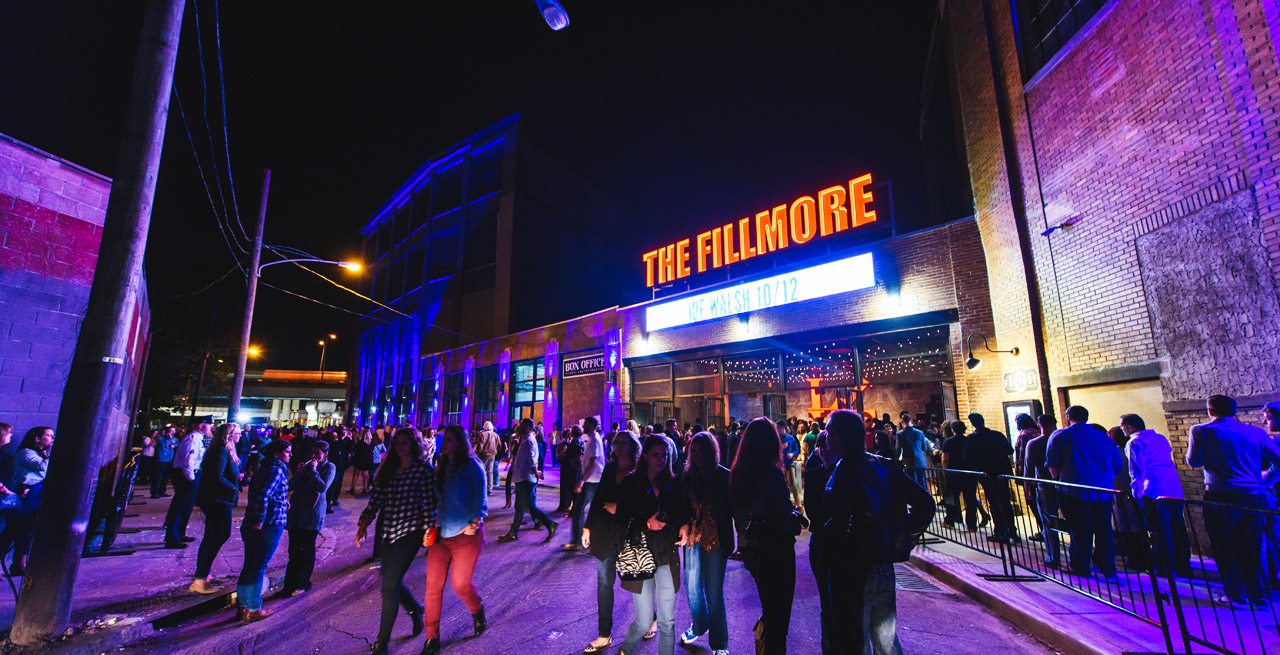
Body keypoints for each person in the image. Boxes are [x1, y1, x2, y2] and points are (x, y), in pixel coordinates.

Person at [1186, 395, 1280, 607]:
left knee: (1224, 546)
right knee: (1253, 546)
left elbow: (1195, 461)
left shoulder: (1201, 430)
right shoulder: (1256, 432)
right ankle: (1259, 596)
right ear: (1234, 410)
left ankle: (1235, 595)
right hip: (1253, 495)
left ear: (1210, 411)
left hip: (1221, 495)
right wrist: (1266, 479)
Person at [357, 427, 439, 655]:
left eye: (404, 442)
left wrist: (429, 532)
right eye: (397, 443)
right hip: (389, 531)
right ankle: (415, 609)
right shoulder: (390, 469)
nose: (400, 447)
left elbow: (430, 503)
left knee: (388, 587)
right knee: (391, 580)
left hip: (410, 532)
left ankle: (381, 643)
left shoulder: (423, 469)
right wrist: (364, 523)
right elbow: (377, 498)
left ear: (414, 444)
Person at [616, 435, 690, 655]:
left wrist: (684, 525)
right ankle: (626, 649)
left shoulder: (674, 483)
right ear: (646, 456)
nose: (661, 459)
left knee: (667, 621)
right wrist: (647, 522)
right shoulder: (631, 483)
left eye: (665, 455)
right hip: (641, 555)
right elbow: (621, 518)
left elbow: (681, 511)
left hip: (666, 553)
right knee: (644, 620)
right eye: (656, 455)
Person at [731, 418, 798, 655]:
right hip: (776, 548)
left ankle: (767, 644)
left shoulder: (739, 472)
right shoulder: (771, 472)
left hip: (753, 548)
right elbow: (782, 513)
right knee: (779, 616)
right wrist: (794, 519)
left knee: (770, 607)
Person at [421, 425, 488, 655]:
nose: (445, 442)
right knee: (432, 587)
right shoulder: (441, 465)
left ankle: (477, 609)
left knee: (460, 584)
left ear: (459, 442)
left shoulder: (471, 464)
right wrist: (429, 525)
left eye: (449, 439)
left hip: (465, 534)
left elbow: (481, 494)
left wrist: (476, 520)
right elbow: (435, 500)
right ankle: (431, 638)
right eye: (444, 438)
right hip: (440, 533)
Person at [1046, 406, 1125, 578]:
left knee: (1080, 530)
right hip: (1103, 491)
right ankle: (1107, 566)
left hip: (1074, 490)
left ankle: (1080, 566)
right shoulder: (1104, 438)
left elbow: (1052, 465)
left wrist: (1059, 481)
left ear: (1068, 417)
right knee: (1104, 530)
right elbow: (1117, 465)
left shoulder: (1061, 435)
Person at [582, 430, 642, 654]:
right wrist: (587, 526)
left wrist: (621, 508)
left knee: (634, 582)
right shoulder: (609, 468)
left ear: (632, 446)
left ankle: (651, 618)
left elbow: (645, 504)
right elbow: (598, 499)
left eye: (623, 443)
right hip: (605, 533)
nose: (618, 446)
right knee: (604, 583)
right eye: (616, 442)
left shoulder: (639, 472)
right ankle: (604, 634)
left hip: (628, 534)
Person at [679, 433, 732, 655]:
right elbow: (681, 506)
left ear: (712, 451)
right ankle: (700, 625)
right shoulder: (687, 476)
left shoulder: (723, 476)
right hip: (693, 538)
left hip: (716, 539)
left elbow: (734, 508)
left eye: (702, 450)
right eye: (695, 451)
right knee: (692, 589)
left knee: (713, 593)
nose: (698, 455)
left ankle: (719, 645)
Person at [236, 439, 290, 622]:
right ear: (276, 454)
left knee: (249, 565)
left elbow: (266, 493)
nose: (290, 455)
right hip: (269, 523)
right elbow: (263, 495)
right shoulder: (276, 470)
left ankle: (242, 606)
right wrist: (259, 520)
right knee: (259, 566)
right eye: (287, 452)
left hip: (254, 521)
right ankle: (254, 607)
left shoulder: (262, 469)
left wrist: (283, 501)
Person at [191, 423, 243, 594]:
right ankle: (201, 577)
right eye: (237, 433)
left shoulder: (223, 451)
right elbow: (216, 475)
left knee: (212, 535)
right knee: (219, 534)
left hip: (217, 499)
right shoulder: (221, 451)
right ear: (229, 435)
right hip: (217, 499)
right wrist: (232, 487)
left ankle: (203, 574)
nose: (240, 435)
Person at [280, 439, 335, 597]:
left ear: (325, 454)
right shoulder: (306, 466)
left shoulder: (329, 467)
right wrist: (299, 472)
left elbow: (322, 487)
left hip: (312, 514)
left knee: (307, 550)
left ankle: (303, 583)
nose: (313, 456)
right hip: (296, 513)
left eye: (317, 453)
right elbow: (290, 486)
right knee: (294, 551)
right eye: (312, 453)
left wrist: (313, 471)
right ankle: (289, 585)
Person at [1, 426, 54, 574]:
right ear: (37, 438)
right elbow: (45, 468)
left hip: (34, 495)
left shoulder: (40, 454)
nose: (52, 438)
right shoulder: (25, 453)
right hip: (24, 495)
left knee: (27, 530)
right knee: (13, 529)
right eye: (49, 435)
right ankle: (17, 564)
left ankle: (19, 564)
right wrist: (54, 452)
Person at [498, 418, 557, 544]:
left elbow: (532, 460)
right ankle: (513, 533)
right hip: (522, 478)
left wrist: (535, 472)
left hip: (526, 479)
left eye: (522, 425)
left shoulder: (529, 441)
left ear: (528, 427)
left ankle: (549, 523)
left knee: (529, 506)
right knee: (520, 507)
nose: (519, 427)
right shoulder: (524, 440)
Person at [964, 413, 1018, 543]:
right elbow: (1009, 450)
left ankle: (1000, 531)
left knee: (994, 502)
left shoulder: (972, 438)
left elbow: (967, 458)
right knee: (1005, 502)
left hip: (986, 474)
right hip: (1001, 472)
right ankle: (1012, 530)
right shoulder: (997, 435)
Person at [164, 423, 208, 548]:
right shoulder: (192, 439)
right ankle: (173, 538)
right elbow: (188, 461)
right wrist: (191, 479)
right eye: (208, 424)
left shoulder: (197, 438)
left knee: (186, 507)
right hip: (186, 476)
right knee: (181, 507)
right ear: (201, 425)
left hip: (189, 475)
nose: (210, 427)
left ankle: (180, 534)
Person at [1025, 415, 1061, 568]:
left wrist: (1027, 488)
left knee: (1048, 523)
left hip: (1044, 486)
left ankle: (1053, 557)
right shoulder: (1062, 440)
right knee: (1072, 522)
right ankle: (1076, 558)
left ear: (1039, 425)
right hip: (1064, 485)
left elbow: (1028, 469)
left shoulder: (1034, 443)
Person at [568, 417, 607, 551]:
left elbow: (592, 462)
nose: (583, 426)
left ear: (591, 425)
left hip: (593, 481)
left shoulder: (595, 439)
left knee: (594, 512)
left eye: (585, 424)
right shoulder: (591, 439)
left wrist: (581, 480)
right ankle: (578, 541)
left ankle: (595, 542)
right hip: (589, 480)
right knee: (578, 508)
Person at [1012, 414, 1043, 538]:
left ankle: (1043, 530)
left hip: (1030, 474)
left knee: (1033, 502)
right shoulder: (1039, 432)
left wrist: (1020, 475)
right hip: (1042, 473)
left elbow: (1022, 457)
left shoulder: (1024, 435)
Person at [894, 412, 931, 486]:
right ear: (911, 421)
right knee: (922, 482)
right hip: (920, 460)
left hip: (908, 461)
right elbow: (924, 447)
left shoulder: (900, 434)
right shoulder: (920, 432)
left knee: (911, 483)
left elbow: (898, 449)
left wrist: (896, 460)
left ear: (902, 422)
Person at [558, 426, 584, 514]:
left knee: (573, 487)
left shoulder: (574, 442)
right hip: (579, 466)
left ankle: (574, 510)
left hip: (573, 466)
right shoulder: (582, 441)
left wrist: (565, 451)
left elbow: (570, 454)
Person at [474, 421, 501, 495]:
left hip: (483, 456)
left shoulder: (483, 435)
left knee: (481, 472)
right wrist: (495, 450)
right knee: (490, 472)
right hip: (492, 456)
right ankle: (489, 489)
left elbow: (480, 447)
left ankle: (481, 487)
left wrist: (477, 454)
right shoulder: (496, 435)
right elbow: (499, 445)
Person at [151, 427, 177, 498]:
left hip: (169, 459)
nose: (172, 432)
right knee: (158, 477)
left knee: (166, 477)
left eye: (173, 431)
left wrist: (174, 445)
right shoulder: (161, 439)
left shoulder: (175, 439)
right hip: (161, 459)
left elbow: (176, 444)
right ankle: (154, 492)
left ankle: (162, 491)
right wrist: (168, 438)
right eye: (170, 431)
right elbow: (162, 444)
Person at [781, 424, 802, 506]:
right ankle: (786, 504)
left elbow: (797, 450)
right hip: (780, 465)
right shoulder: (776, 438)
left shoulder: (790, 438)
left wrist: (792, 454)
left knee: (793, 484)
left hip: (789, 464)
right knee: (782, 485)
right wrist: (781, 448)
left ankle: (799, 505)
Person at [352, 428, 374, 494]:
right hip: (367, 460)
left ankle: (353, 488)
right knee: (365, 475)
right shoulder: (371, 443)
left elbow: (356, 450)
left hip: (359, 459)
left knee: (356, 474)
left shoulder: (360, 442)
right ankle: (365, 488)